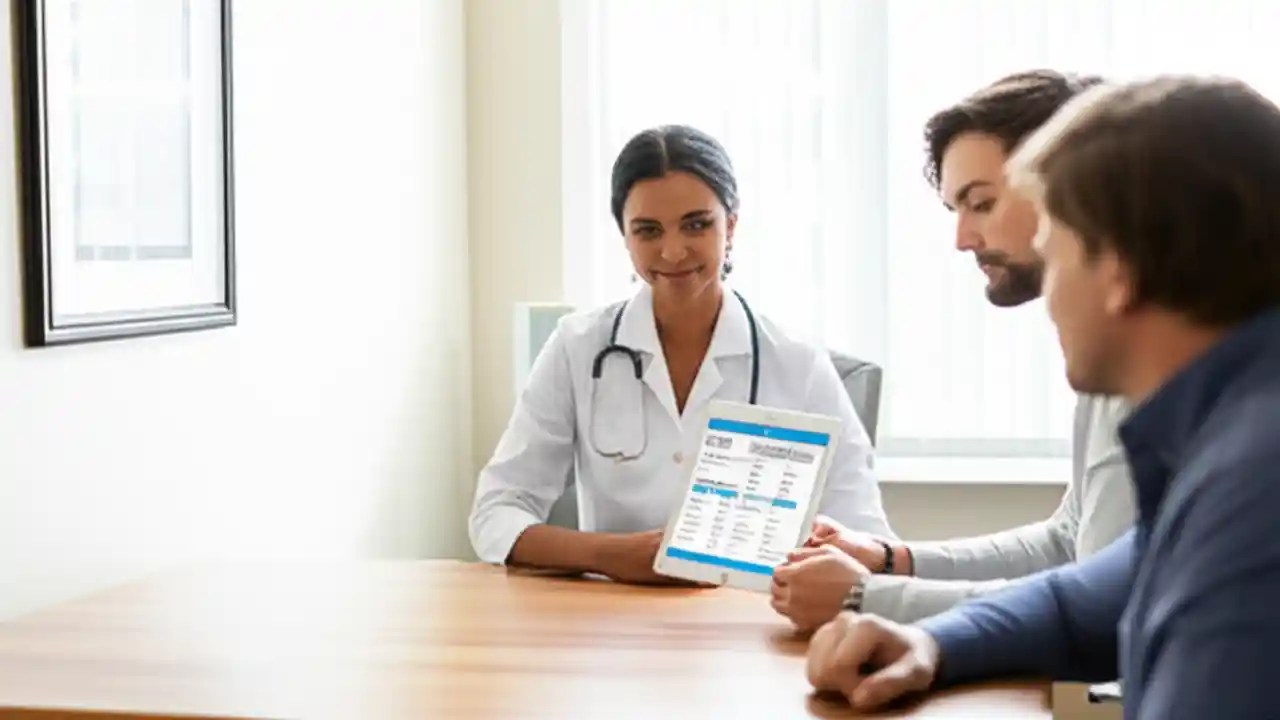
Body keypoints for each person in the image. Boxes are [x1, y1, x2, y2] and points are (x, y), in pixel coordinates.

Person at [804, 75, 1280, 719]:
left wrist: (873, 593)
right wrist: (930, 640)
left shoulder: (1253, 494)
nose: (1050, 297)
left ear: (1118, 272)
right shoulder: (1224, 432)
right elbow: (1087, 594)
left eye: (1055, 257)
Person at [771, 70, 1135, 630]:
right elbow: (1072, 540)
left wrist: (869, 598)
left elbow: (1103, 607)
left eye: (981, 203)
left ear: (1067, 186)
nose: (962, 238)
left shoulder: (1156, 354)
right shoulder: (1108, 351)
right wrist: (893, 561)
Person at [469, 125, 894, 583]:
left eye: (696, 224)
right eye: (648, 230)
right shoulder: (577, 347)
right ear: (624, 236)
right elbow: (496, 513)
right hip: (612, 625)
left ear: (730, 226)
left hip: (754, 622)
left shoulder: (797, 363)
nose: (673, 251)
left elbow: (865, 536)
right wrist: (611, 555)